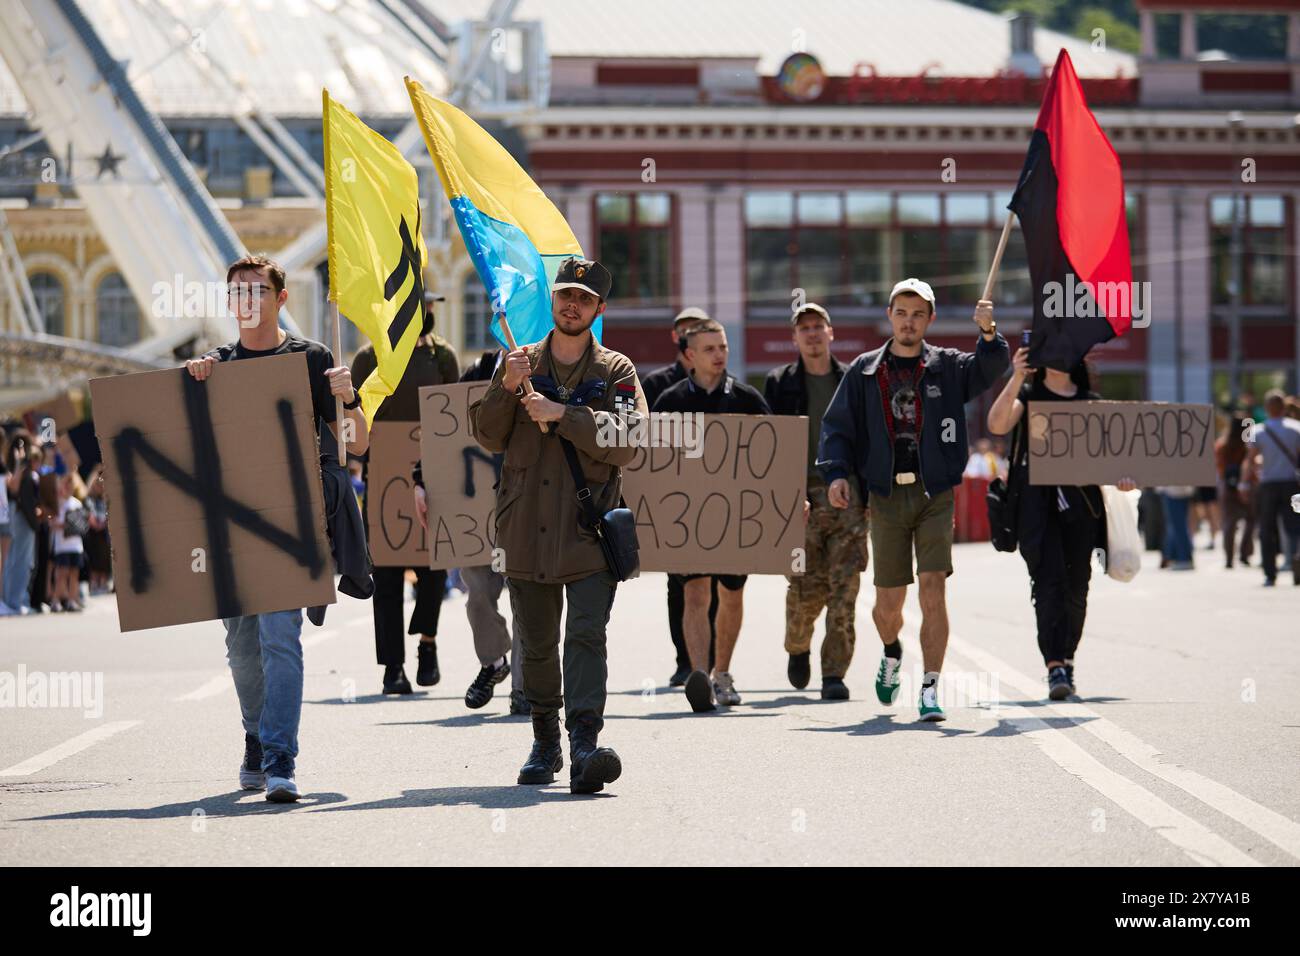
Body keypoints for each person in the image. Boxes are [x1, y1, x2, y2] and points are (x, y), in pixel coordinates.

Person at [185, 254, 367, 802]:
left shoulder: (313, 360)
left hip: (294, 522)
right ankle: (255, 735)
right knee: (242, 647)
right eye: (237, 291)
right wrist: (193, 378)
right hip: (232, 528)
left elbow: (357, 443)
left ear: (280, 298)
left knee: (279, 638)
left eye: (258, 290)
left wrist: (348, 398)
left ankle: (280, 757)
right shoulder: (216, 366)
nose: (247, 299)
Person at [469, 256, 644, 794]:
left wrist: (562, 415)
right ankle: (545, 740)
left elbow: (630, 441)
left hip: (587, 529)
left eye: (584, 299)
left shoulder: (616, 370)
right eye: (566, 294)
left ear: (599, 309)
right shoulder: (518, 361)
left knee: (587, 636)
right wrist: (505, 385)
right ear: (554, 300)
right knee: (538, 644)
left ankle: (585, 742)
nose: (573, 304)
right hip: (525, 526)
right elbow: (488, 435)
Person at [818, 278, 1009, 721]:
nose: (909, 321)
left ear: (930, 319)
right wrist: (837, 474)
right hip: (885, 496)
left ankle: (929, 688)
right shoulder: (865, 371)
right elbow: (837, 428)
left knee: (933, 589)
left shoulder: (948, 366)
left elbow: (990, 365)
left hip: (935, 494)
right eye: (902, 313)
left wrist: (988, 331)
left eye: (918, 314)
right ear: (890, 316)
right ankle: (891, 651)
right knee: (888, 604)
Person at [988, 350, 1136, 698]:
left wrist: (1125, 477)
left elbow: (1112, 457)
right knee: (1048, 582)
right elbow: (996, 424)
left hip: (1083, 507)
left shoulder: (1092, 403)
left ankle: (1067, 658)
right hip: (1036, 507)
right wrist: (1016, 376)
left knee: (1077, 586)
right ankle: (1054, 665)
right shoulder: (1027, 396)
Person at [653, 318, 771, 712]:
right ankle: (700, 677)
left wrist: (791, 501)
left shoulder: (748, 399)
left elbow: (775, 458)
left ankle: (723, 673)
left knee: (732, 595)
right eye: (709, 349)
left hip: (737, 517)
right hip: (688, 517)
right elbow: (653, 463)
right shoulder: (669, 402)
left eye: (722, 347)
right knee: (695, 591)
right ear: (689, 356)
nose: (719, 354)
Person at [351, 289, 460, 697]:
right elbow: (354, 416)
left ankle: (427, 642)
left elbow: (454, 415)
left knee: (436, 567)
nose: (427, 312)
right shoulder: (368, 358)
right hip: (383, 479)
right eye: (420, 305)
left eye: (429, 305)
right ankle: (392, 667)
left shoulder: (442, 356)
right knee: (387, 575)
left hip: (433, 476)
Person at [412, 348, 529, 716]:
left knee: (527, 602)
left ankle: (525, 690)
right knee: (477, 594)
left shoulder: (550, 371)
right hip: (476, 511)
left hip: (528, 506)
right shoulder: (478, 369)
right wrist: (420, 479)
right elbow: (444, 432)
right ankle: (494, 662)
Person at [764, 302, 866, 700]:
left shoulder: (852, 380)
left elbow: (869, 437)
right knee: (805, 589)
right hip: (799, 494)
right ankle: (798, 645)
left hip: (847, 495)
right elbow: (770, 440)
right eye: (803, 327)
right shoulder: (780, 382)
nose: (811, 333)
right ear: (795, 337)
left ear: (830, 332)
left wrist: (869, 493)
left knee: (845, 589)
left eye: (817, 326)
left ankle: (834, 674)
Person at [642, 306, 717, 686]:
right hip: (678, 501)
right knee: (679, 585)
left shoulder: (728, 386)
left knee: (713, 584)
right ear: (678, 339)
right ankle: (685, 660)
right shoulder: (658, 386)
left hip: (718, 499)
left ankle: (710, 659)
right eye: (685, 330)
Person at [1251, 389, 1300, 586]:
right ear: (1283, 408)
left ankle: (1269, 574)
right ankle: (1297, 565)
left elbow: (1251, 460)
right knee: (1294, 528)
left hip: (1268, 484)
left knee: (1267, 530)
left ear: (1267, 409)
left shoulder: (1258, 431)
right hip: (1291, 483)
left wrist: (1246, 482)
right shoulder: (1296, 428)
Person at [1, 434, 40, 614]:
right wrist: (19, 463)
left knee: (23, 560)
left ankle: (18, 599)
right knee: (16, 560)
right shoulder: (13, 465)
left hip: (21, 516)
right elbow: (13, 487)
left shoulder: (24, 468)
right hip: (17, 514)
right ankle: (13, 601)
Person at [1216, 413, 1255, 569]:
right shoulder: (1248, 445)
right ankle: (1245, 552)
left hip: (1228, 487)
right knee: (1251, 520)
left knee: (1229, 524)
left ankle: (1229, 557)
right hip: (1247, 486)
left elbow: (1219, 467)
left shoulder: (1222, 445)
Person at [49, 472, 87, 612]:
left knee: (74, 574)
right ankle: (55, 601)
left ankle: (72, 601)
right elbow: (52, 524)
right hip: (62, 546)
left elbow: (82, 524)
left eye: (70, 485)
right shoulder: (57, 504)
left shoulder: (77, 503)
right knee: (62, 574)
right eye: (66, 484)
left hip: (76, 546)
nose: (68, 487)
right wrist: (65, 525)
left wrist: (74, 525)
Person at [1157, 485, 1196, 570]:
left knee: (1178, 526)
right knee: (1177, 526)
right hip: (1181, 490)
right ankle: (1175, 557)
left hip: (1173, 491)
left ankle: (1184, 558)